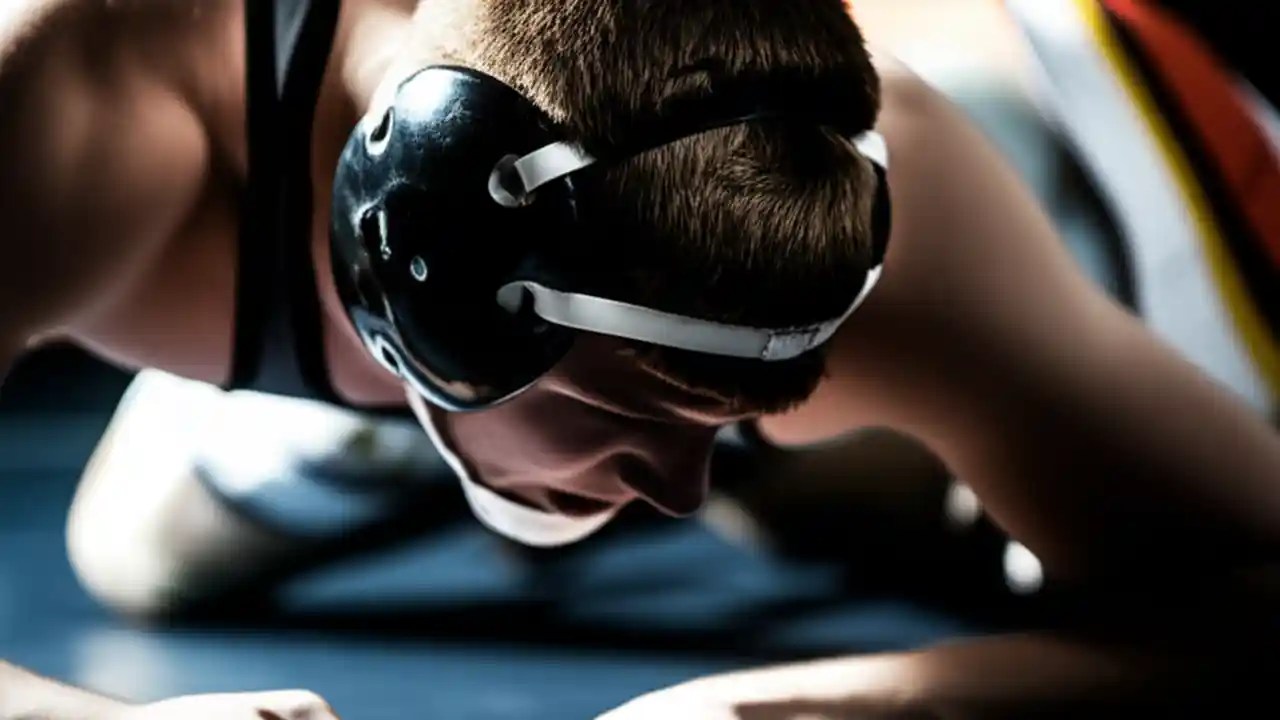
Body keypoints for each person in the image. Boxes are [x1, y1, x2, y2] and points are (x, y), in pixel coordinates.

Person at [1, 0, 1277, 718]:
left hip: (1038, 164)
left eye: (709, 419)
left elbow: (1249, 591)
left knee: (845, 454)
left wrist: (846, 702)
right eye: (646, 409)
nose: (675, 484)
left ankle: (798, 432)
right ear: (410, 283)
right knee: (135, 553)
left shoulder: (898, 210)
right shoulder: (81, 101)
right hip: (326, 247)